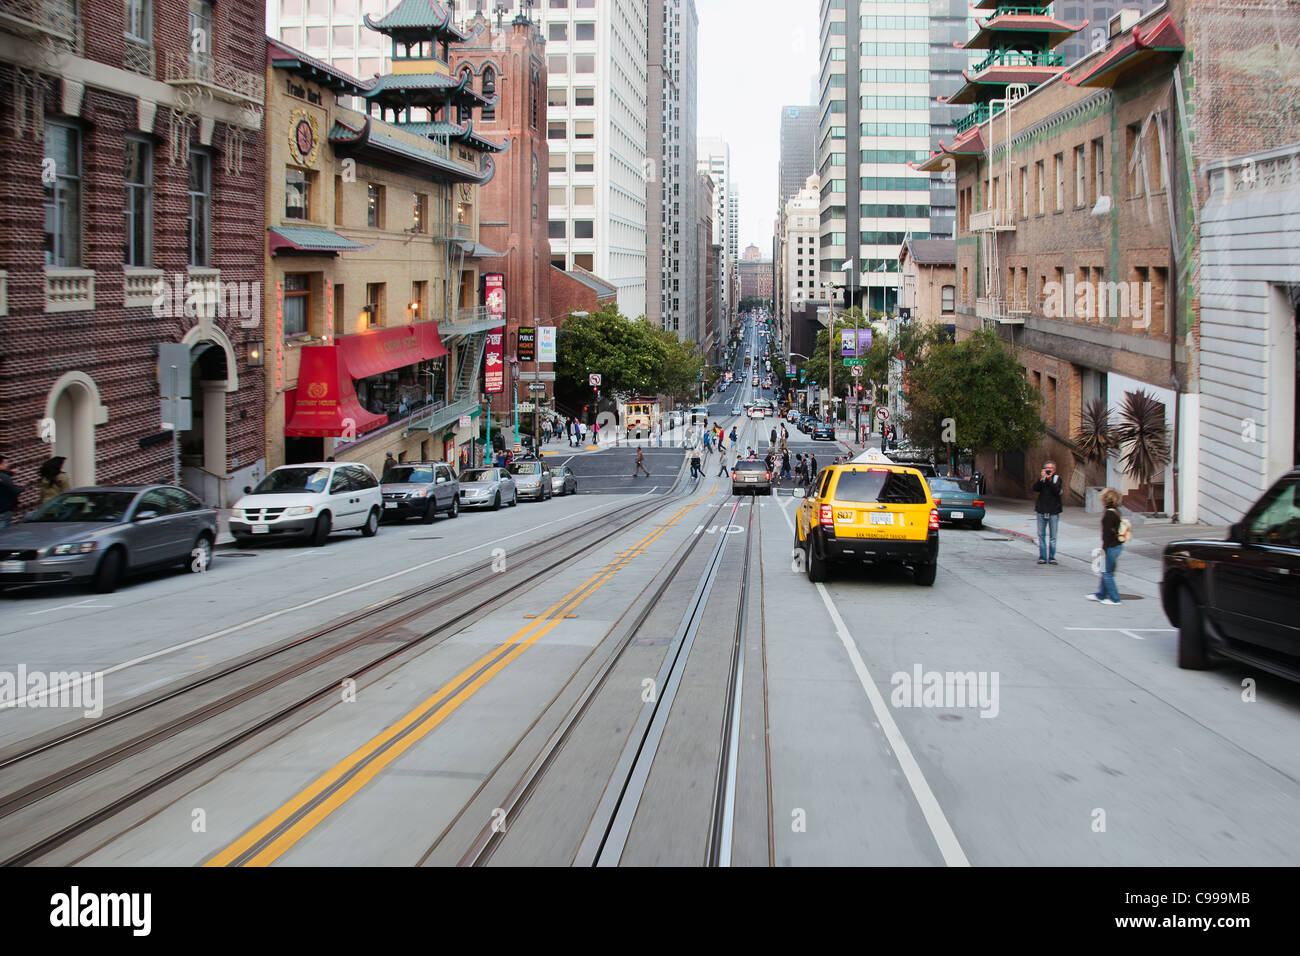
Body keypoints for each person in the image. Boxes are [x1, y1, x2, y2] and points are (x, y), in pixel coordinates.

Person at [1088, 488, 1125, 605]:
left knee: (1107, 573)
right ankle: (1101, 594)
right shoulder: (1116, 511)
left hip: (1111, 546)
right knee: (1107, 571)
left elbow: (1107, 534)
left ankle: (1115, 599)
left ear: (1106, 499)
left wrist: (1104, 548)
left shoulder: (1109, 514)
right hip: (1116, 545)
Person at [1033, 459, 1063, 565]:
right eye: (1047, 468)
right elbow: (1035, 488)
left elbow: (1057, 491)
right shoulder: (1042, 479)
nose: (1048, 470)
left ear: (1054, 470)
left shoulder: (1057, 479)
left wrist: (1050, 480)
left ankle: (1052, 557)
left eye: (1050, 468)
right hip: (1041, 510)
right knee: (1041, 535)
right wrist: (1042, 479)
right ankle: (1042, 557)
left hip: (1053, 511)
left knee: (1052, 536)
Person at [0, 454, 22, 529]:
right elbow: (12, 490)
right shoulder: (4, 477)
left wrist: (10, 473)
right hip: (3, 509)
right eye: (5, 463)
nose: (6, 465)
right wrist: (21, 487)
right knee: (4, 532)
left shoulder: (4, 476)